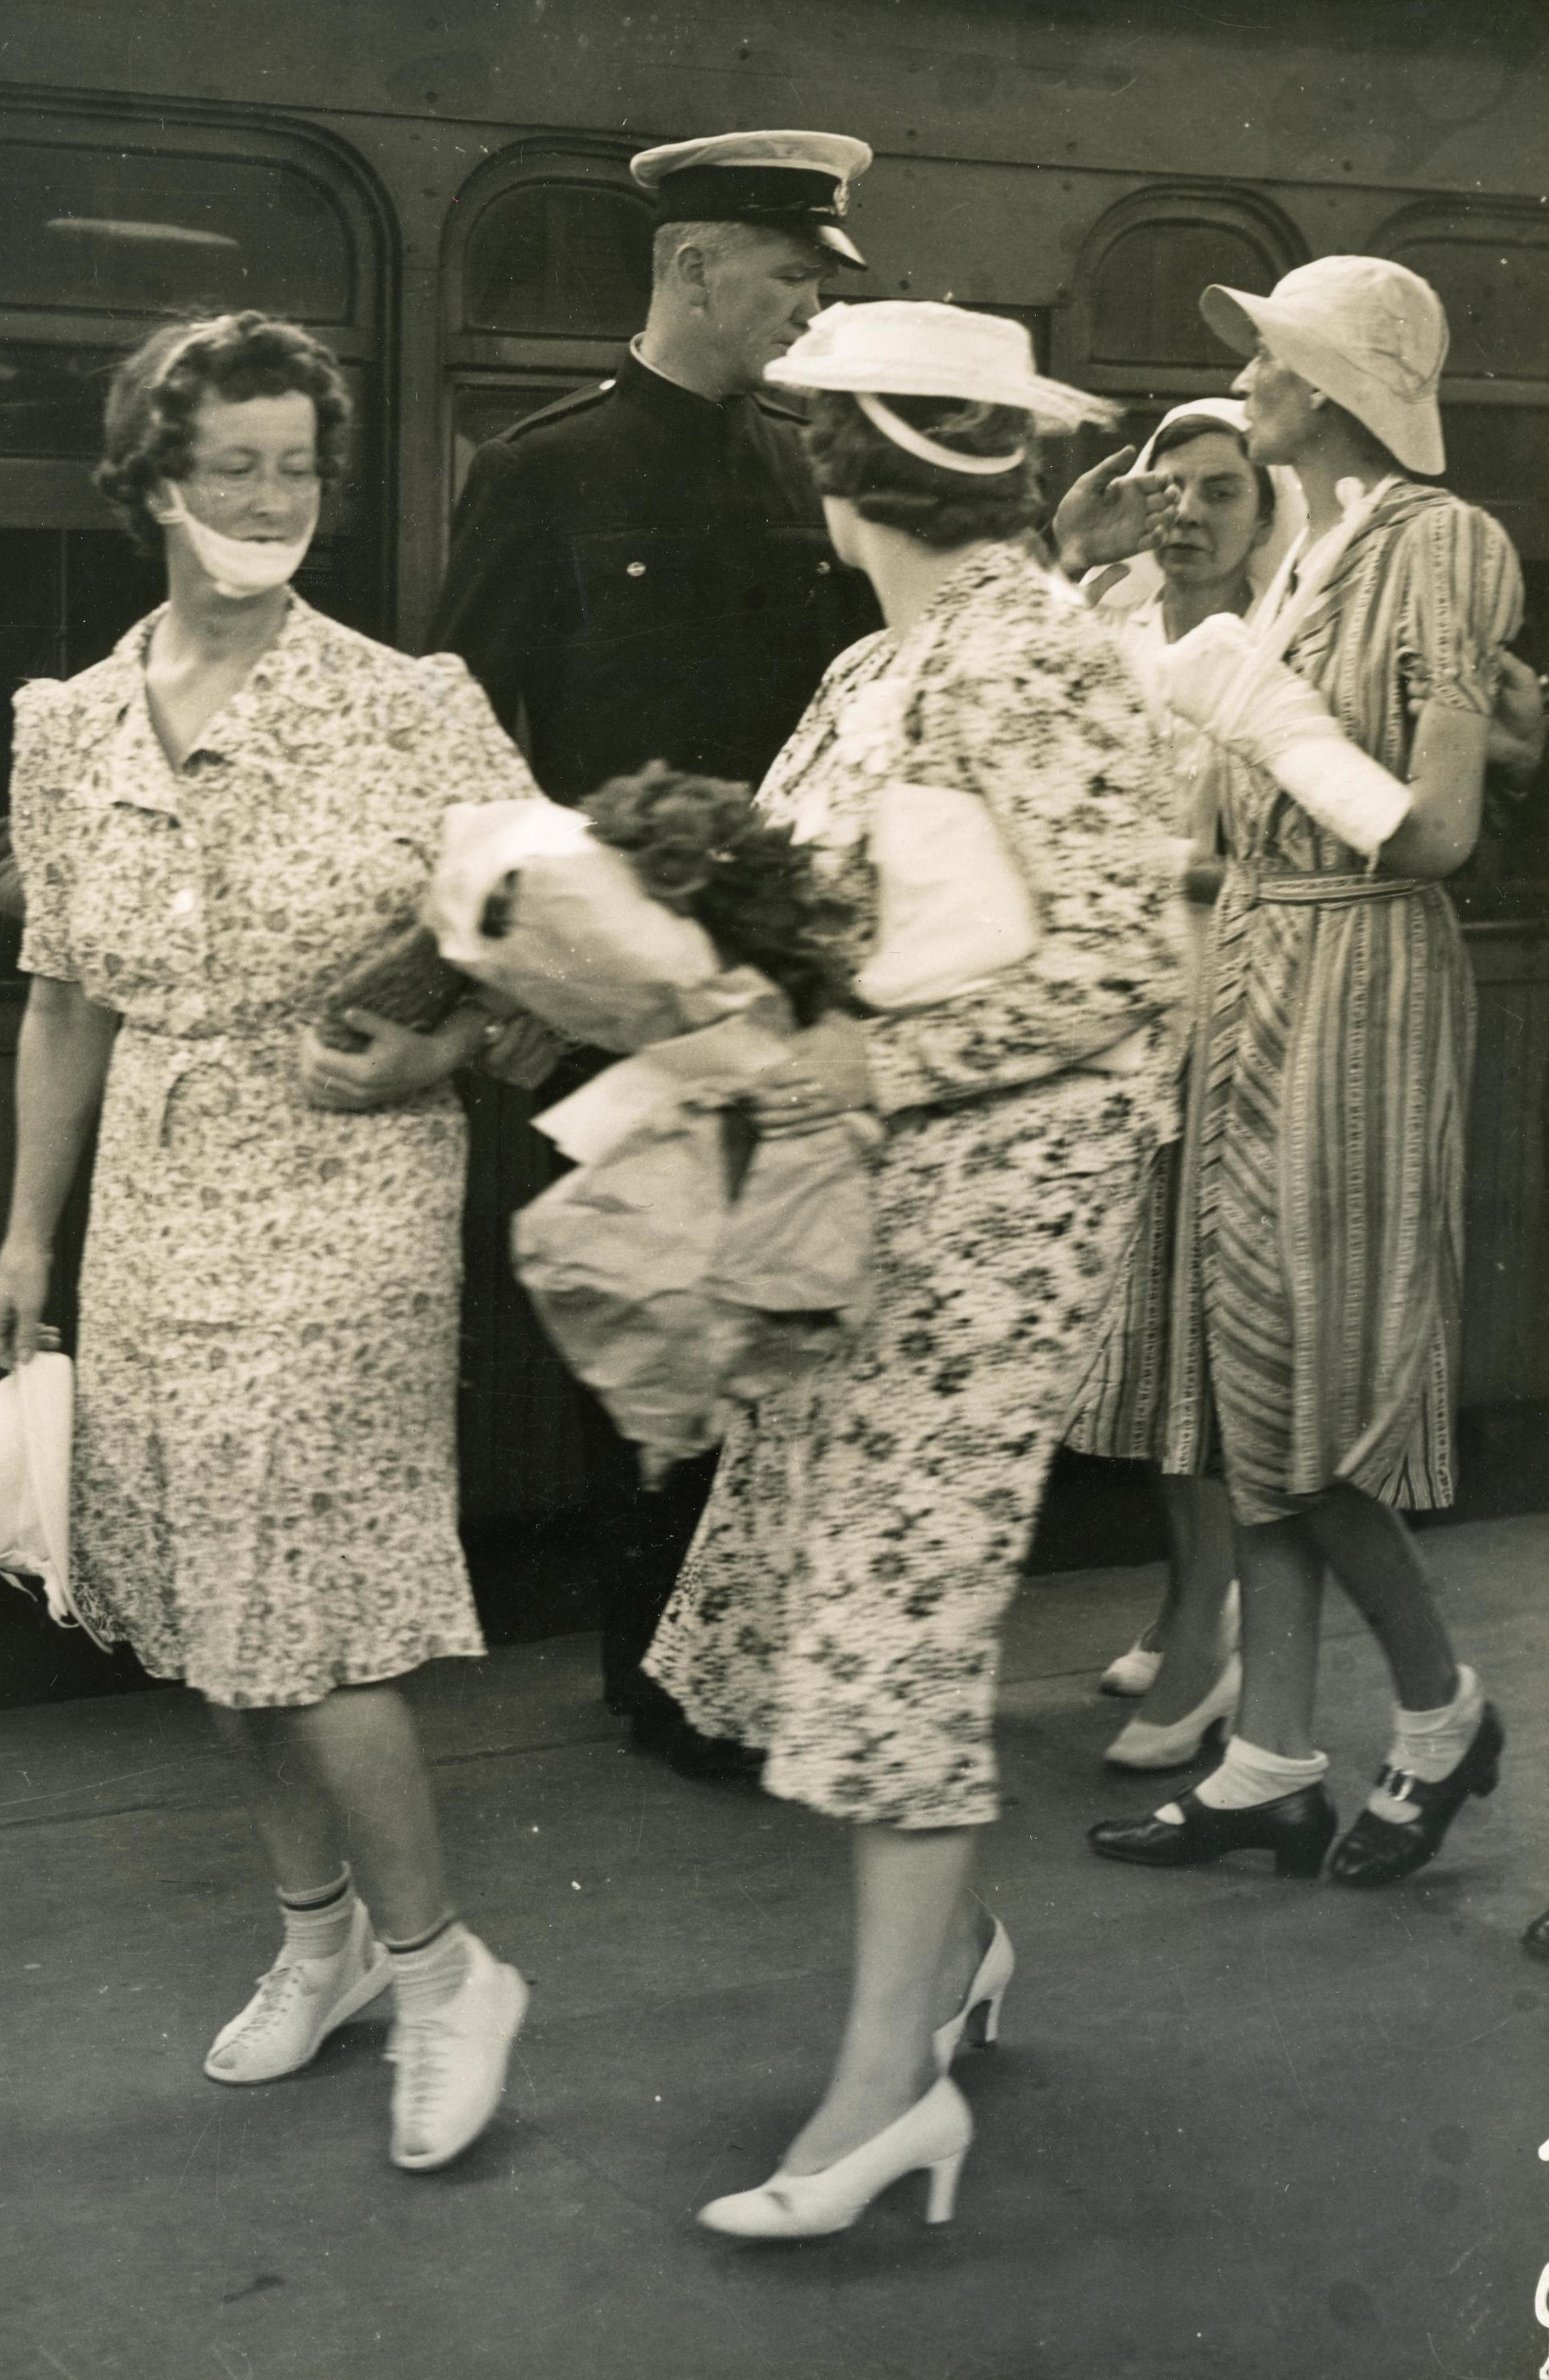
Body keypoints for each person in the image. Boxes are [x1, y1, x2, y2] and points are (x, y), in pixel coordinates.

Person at [0, 311, 560, 2173]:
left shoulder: (410, 705)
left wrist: (433, 1060)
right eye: (234, 465)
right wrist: (24, 1241)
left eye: (298, 465)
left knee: (311, 1599)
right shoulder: (68, 729)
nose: (272, 499)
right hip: (154, 1195)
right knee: (199, 1603)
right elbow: (64, 998)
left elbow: (551, 954)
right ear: (153, 478)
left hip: (348, 1191)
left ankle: (450, 1966)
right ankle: (325, 1945)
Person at [643, 300, 1188, 2237]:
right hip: (870, 1208)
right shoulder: (888, 663)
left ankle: (888, 2102)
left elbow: (1133, 959)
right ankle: (949, 1972)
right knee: (862, 1600)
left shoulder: (1023, 652)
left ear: (835, 463)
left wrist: (873, 1060)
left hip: (990, 1222)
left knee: (898, 1621)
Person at [430, 129, 882, 1777]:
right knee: (664, 1324)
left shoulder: (806, 469)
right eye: (790, 273)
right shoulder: (541, 471)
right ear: (695, 267)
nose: (813, 304)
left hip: (792, 986)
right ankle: (666, 1678)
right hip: (621, 990)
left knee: (781, 1312)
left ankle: (750, 1658)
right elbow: (465, 742)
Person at [1087, 256, 1524, 1887]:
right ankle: (1271, 1761)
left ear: (1327, 385)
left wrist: (1258, 712)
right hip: (1257, 967)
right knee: (1246, 1386)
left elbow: (1441, 829)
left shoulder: (1437, 543)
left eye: (1266, 354)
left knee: (1311, 1400)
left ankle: (1439, 1709)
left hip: (1355, 970)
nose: (1245, 376)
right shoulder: (1311, 558)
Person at [1059, 400, 1306, 1772]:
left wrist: (1178, 872)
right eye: (1171, 488)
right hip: (1118, 1018)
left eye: (1224, 490)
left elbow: (1285, 835)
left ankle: (1211, 1647)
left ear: (1264, 511)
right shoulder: (1106, 624)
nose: (1193, 513)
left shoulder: (1280, 639)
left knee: (1201, 1344)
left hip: (1233, 1012)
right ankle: (1189, 1596)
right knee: (1145, 1336)